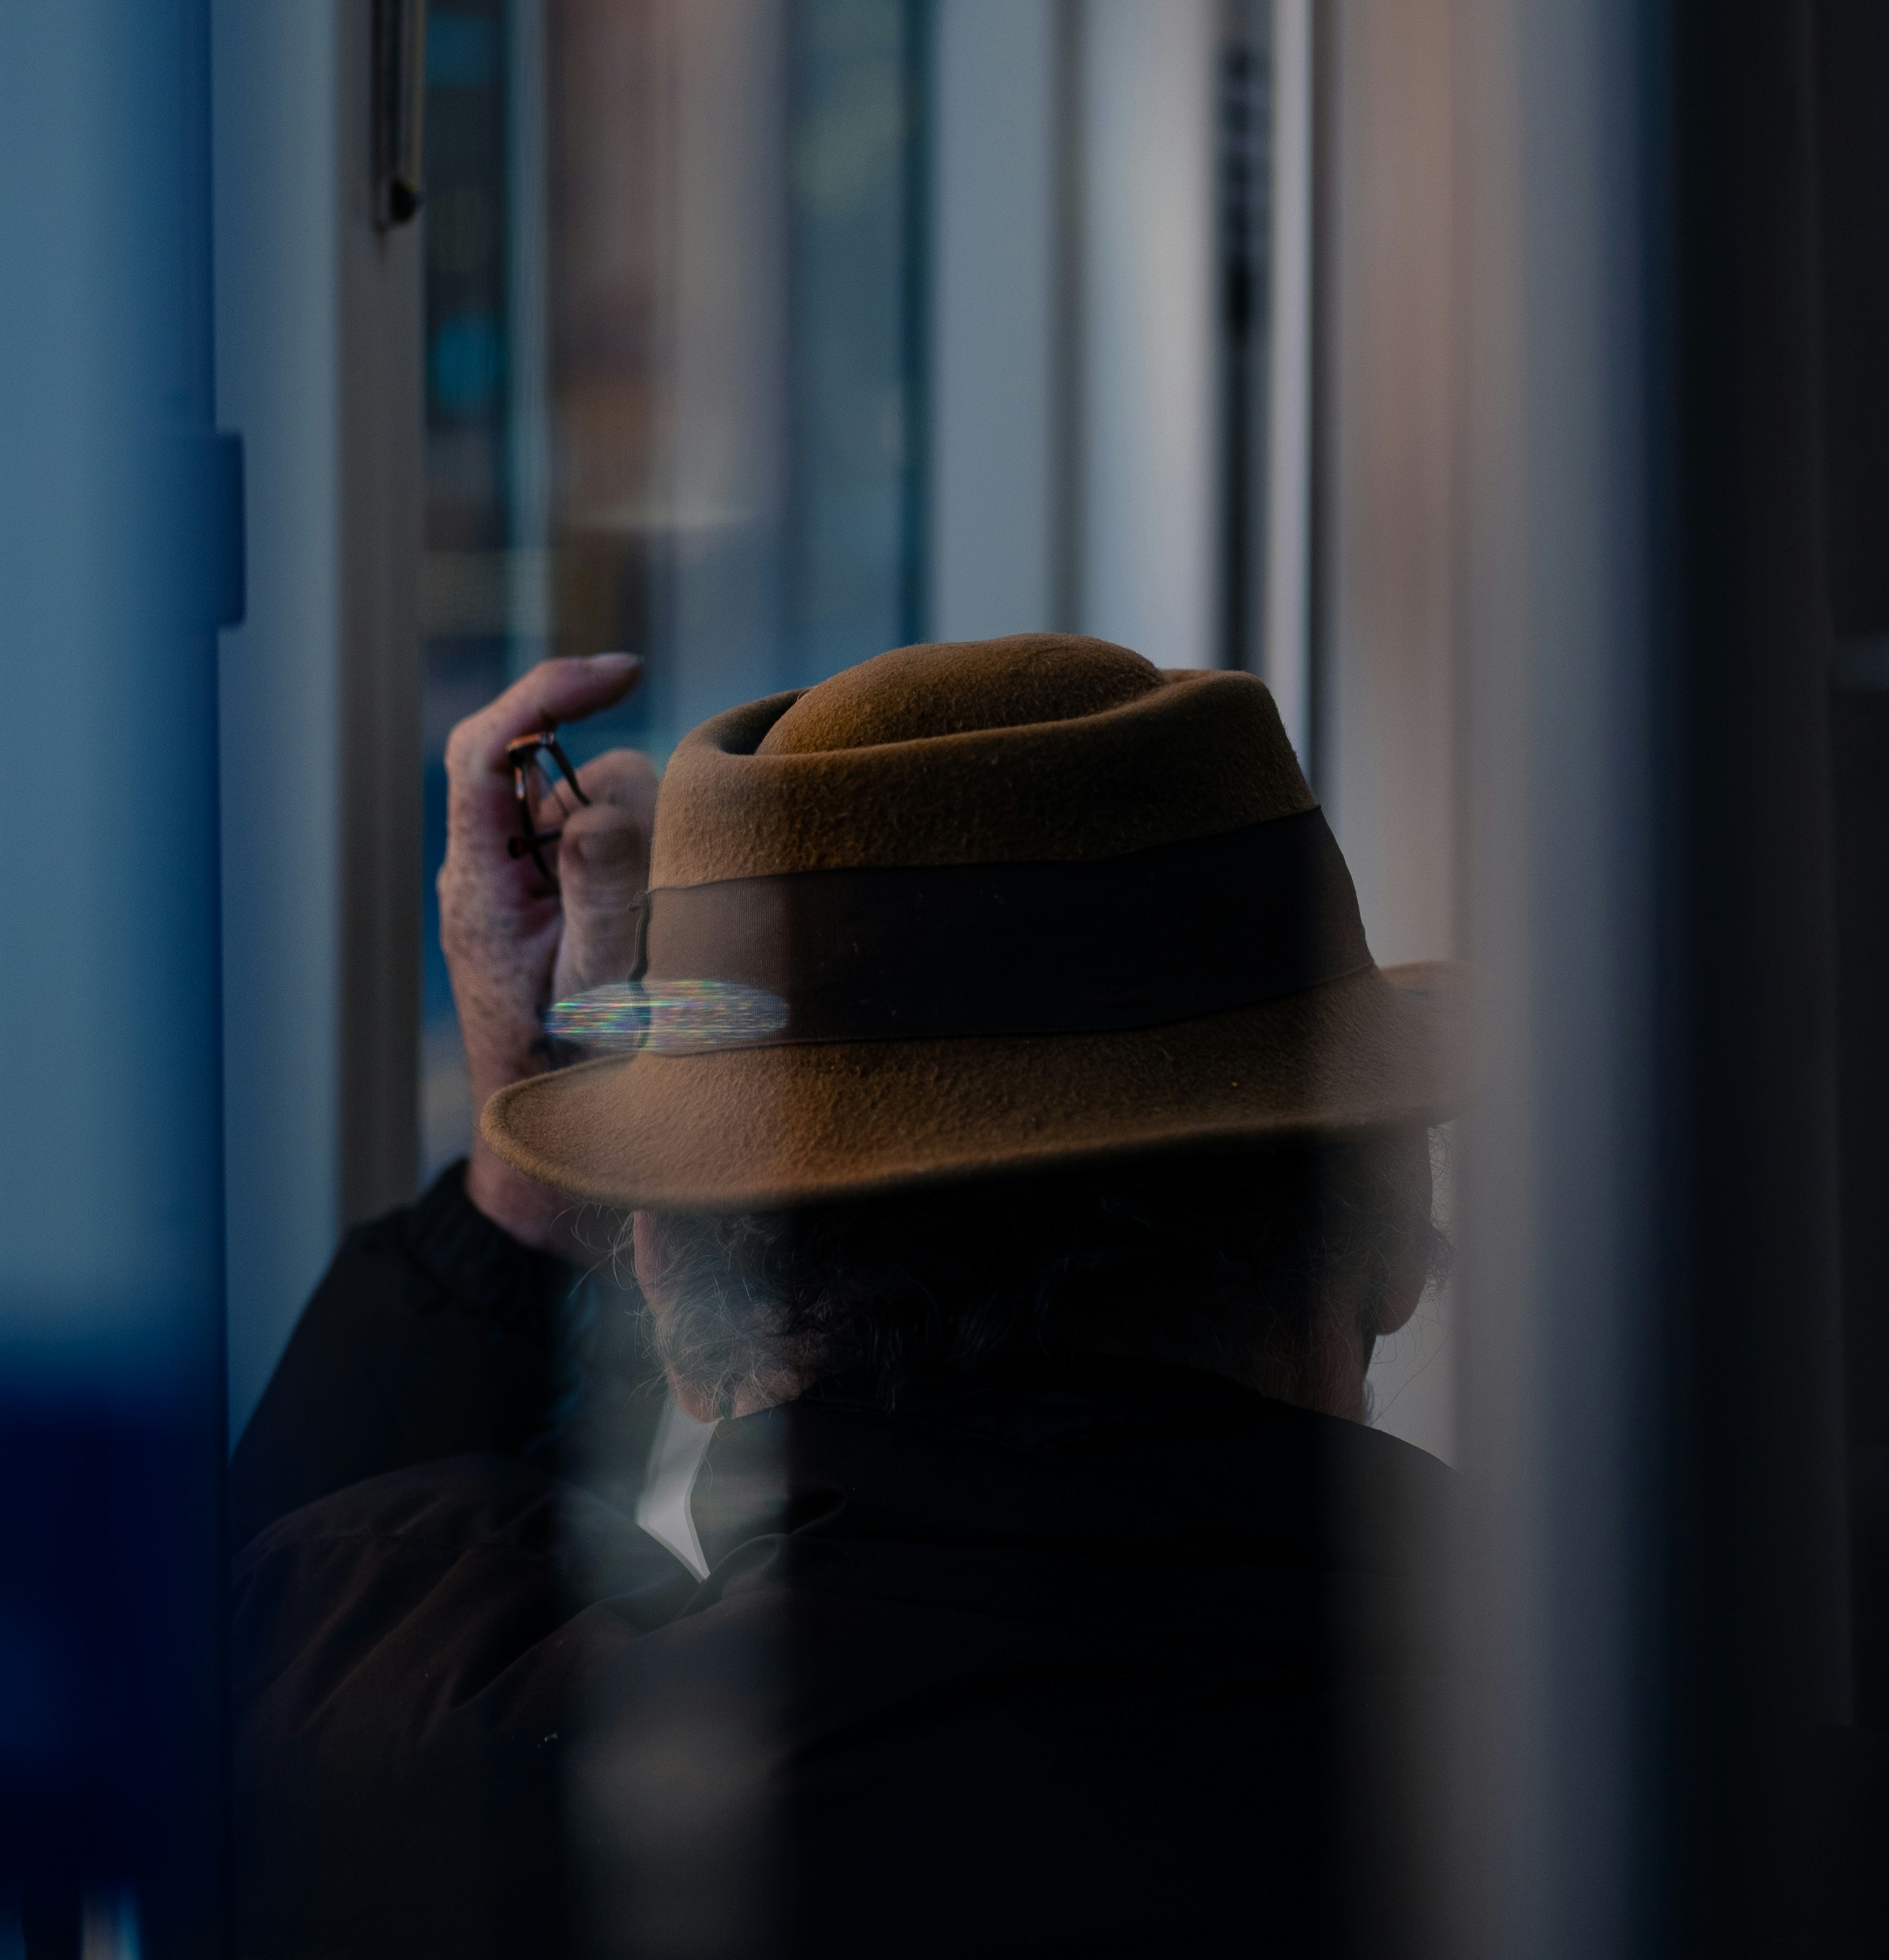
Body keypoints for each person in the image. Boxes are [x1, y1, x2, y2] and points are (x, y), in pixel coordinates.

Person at [229, 634, 1466, 1960]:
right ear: (1390, 1232)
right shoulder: (1620, 1749)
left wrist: (526, 1173)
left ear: (661, 1277)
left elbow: (244, 1648)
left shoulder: (497, 1787)